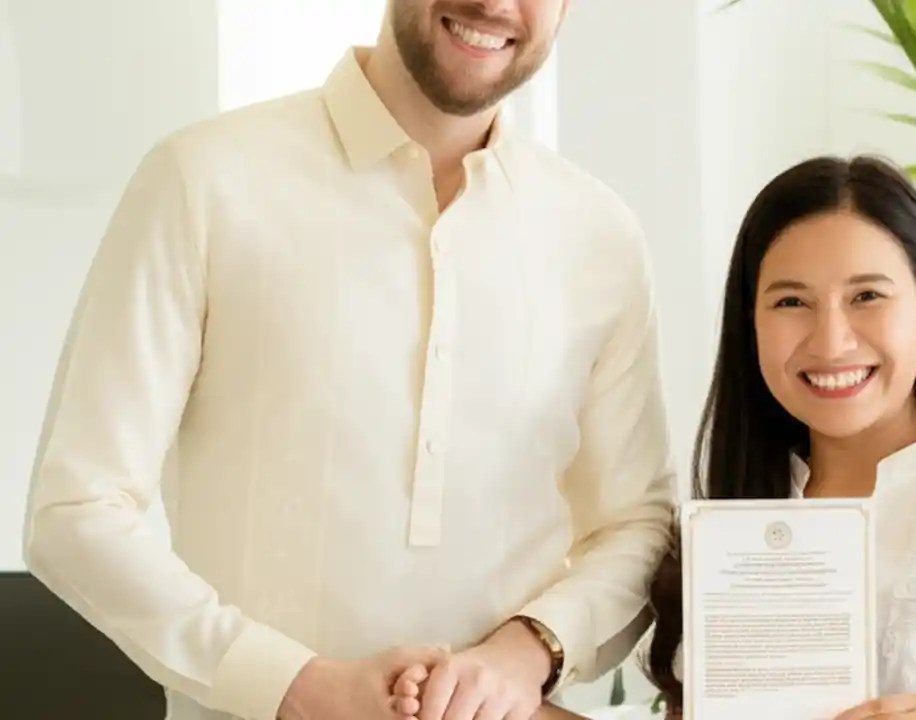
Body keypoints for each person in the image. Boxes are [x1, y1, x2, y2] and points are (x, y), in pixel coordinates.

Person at [22, 1, 676, 719]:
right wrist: (294, 685)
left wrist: (526, 652)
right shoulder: (204, 179)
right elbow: (76, 508)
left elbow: (637, 522)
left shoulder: (599, 234)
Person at [463, 154, 916, 719]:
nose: (831, 340)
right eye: (791, 302)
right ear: (753, 325)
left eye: (867, 296)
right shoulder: (733, 525)